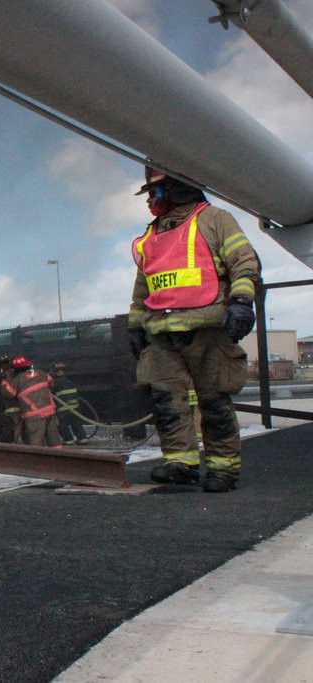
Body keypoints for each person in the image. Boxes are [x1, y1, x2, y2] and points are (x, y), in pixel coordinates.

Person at [129, 166, 260, 493]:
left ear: (177, 188)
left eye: (154, 193)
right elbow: (143, 286)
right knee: (165, 401)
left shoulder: (214, 219)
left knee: (214, 401)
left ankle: (223, 469)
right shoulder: (153, 234)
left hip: (207, 328)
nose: (150, 203)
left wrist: (242, 301)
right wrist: (135, 325)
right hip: (161, 333)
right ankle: (180, 464)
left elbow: (244, 261)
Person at [0, 355, 62, 446]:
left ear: (16, 370)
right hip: (50, 412)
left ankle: (38, 460)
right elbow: (52, 383)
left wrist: (3, 382)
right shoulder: (41, 373)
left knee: (36, 443)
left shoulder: (18, 380)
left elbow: (10, 394)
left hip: (34, 416)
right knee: (55, 440)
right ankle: (59, 458)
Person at [51, 362, 88, 445]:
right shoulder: (70, 382)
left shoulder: (54, 383)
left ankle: (68, 441)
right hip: (75, 409)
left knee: (62, 426)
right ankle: (82, 439)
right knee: (76, 424)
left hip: (62, 410)